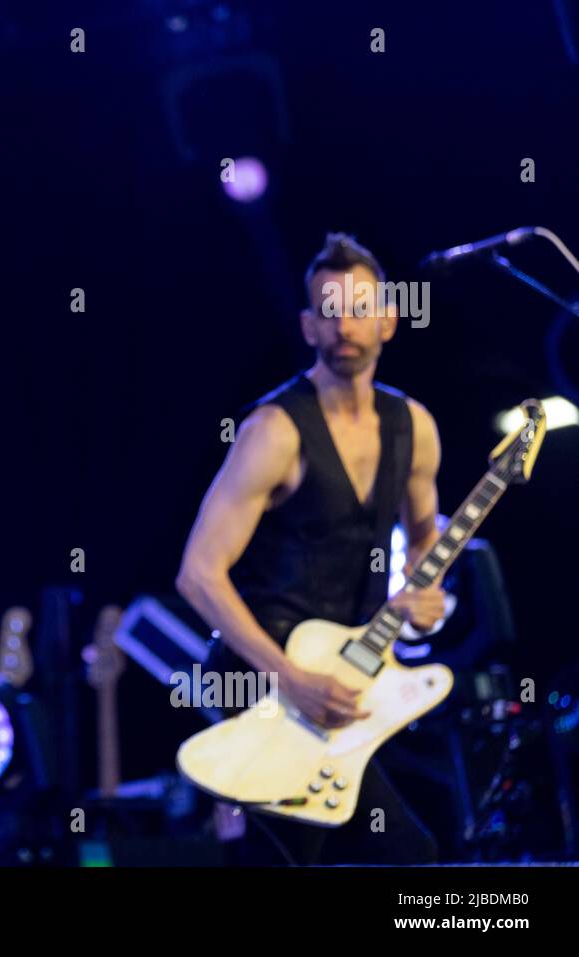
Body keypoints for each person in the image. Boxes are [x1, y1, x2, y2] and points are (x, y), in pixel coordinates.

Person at [175, 233, 444, 865]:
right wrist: (290, 678)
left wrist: (423, 592)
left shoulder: (414, 427)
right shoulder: (273, 431)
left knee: (395, 857)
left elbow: (425, 536)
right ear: (307, 326)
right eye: (328, 311)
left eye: (358, 309)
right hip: (262, 678)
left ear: (388, 321)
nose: (344, 325)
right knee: (331, 854)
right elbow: (199, 574)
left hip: (346, 677)